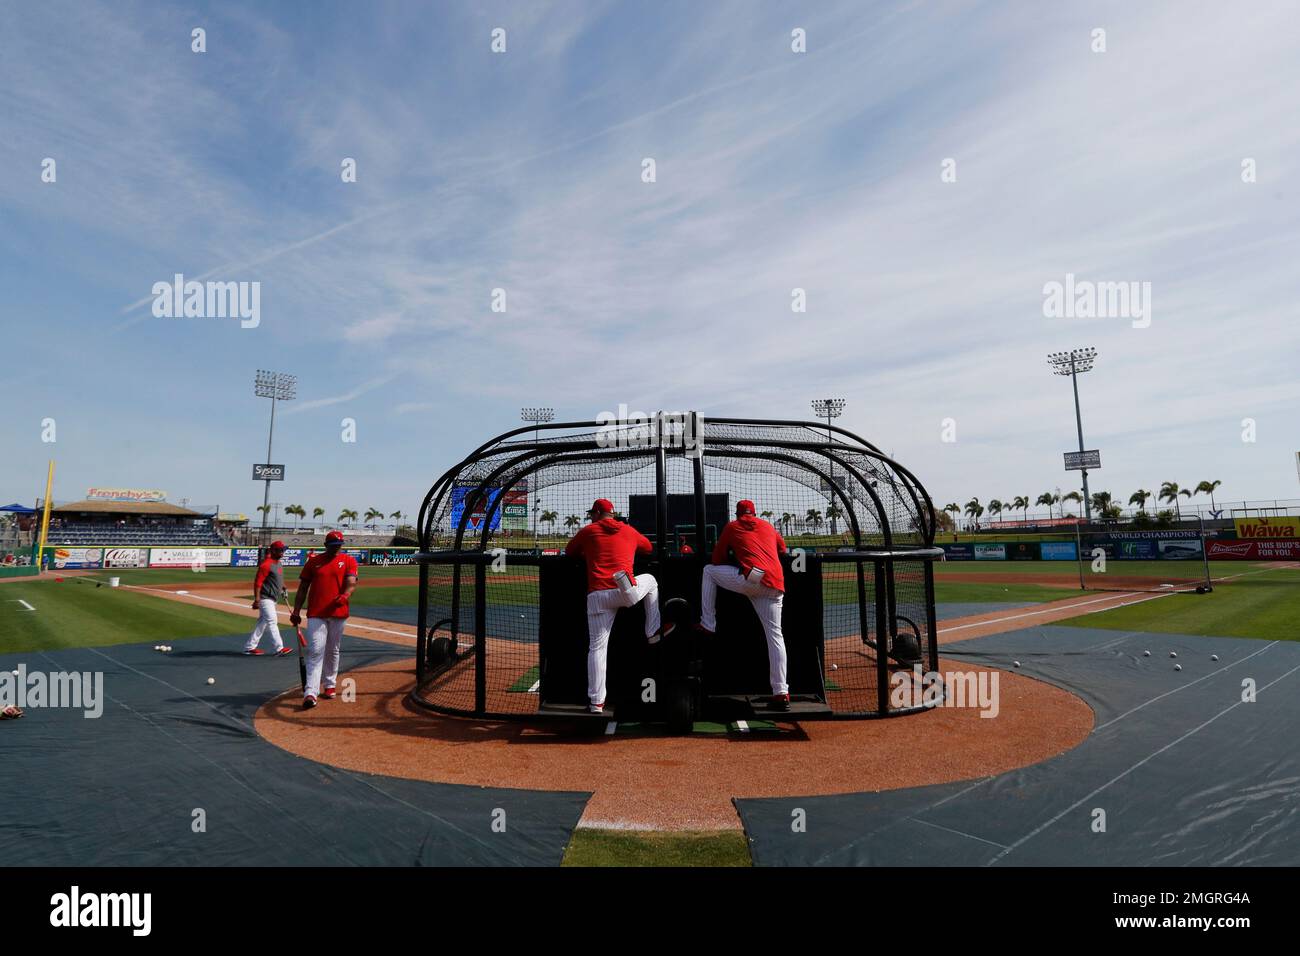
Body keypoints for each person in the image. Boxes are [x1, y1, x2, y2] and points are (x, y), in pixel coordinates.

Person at [565, 498, 671, 714]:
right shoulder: (628, 530)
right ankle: (652, 630)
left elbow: (569, 552)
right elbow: (648, 548)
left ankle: (596, 703)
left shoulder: (589, 531)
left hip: (598, 595)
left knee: (597, 649)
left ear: (596, 513)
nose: (591, 517)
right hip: (625, 592)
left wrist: (590, 551)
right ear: (612, 514)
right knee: (651, 580)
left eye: (592, 514)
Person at [697, 499, 790, 710]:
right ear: (754, 513)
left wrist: (735, 552)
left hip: (752, 579)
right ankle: (781, 692)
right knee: (776, 637)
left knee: (708, 572)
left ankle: (708, 623)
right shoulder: (767, 526)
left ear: (738, 514)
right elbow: (783, 549)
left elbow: (717, 559)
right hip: (775, 583)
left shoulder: (732, 526)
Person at [289, 530, 358, 709]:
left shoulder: (349, 560)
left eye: (339, 545)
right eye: (333, 546)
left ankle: (329, 684)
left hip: (338, 612)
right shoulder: (313, 562)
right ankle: (311, 692)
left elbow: (351, 582)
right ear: (326, 546)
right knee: (315, 650)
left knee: (333, 650)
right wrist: (296, 610)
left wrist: (345, 595)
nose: (336, 549)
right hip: (316, 613)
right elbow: (303, 588)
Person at [244, 541, 292, 656]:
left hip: (273, 598)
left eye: (283, 550)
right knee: (272, 621)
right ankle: (279, 648)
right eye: (281, 550)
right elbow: (258, 583)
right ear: (273, 550)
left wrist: (283, 586)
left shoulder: (278, 563)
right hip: (265, 598)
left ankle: (249, 647)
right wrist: (257, 599)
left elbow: (278, 579)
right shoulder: (266, 565)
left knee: (262, 622)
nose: (283, 552)